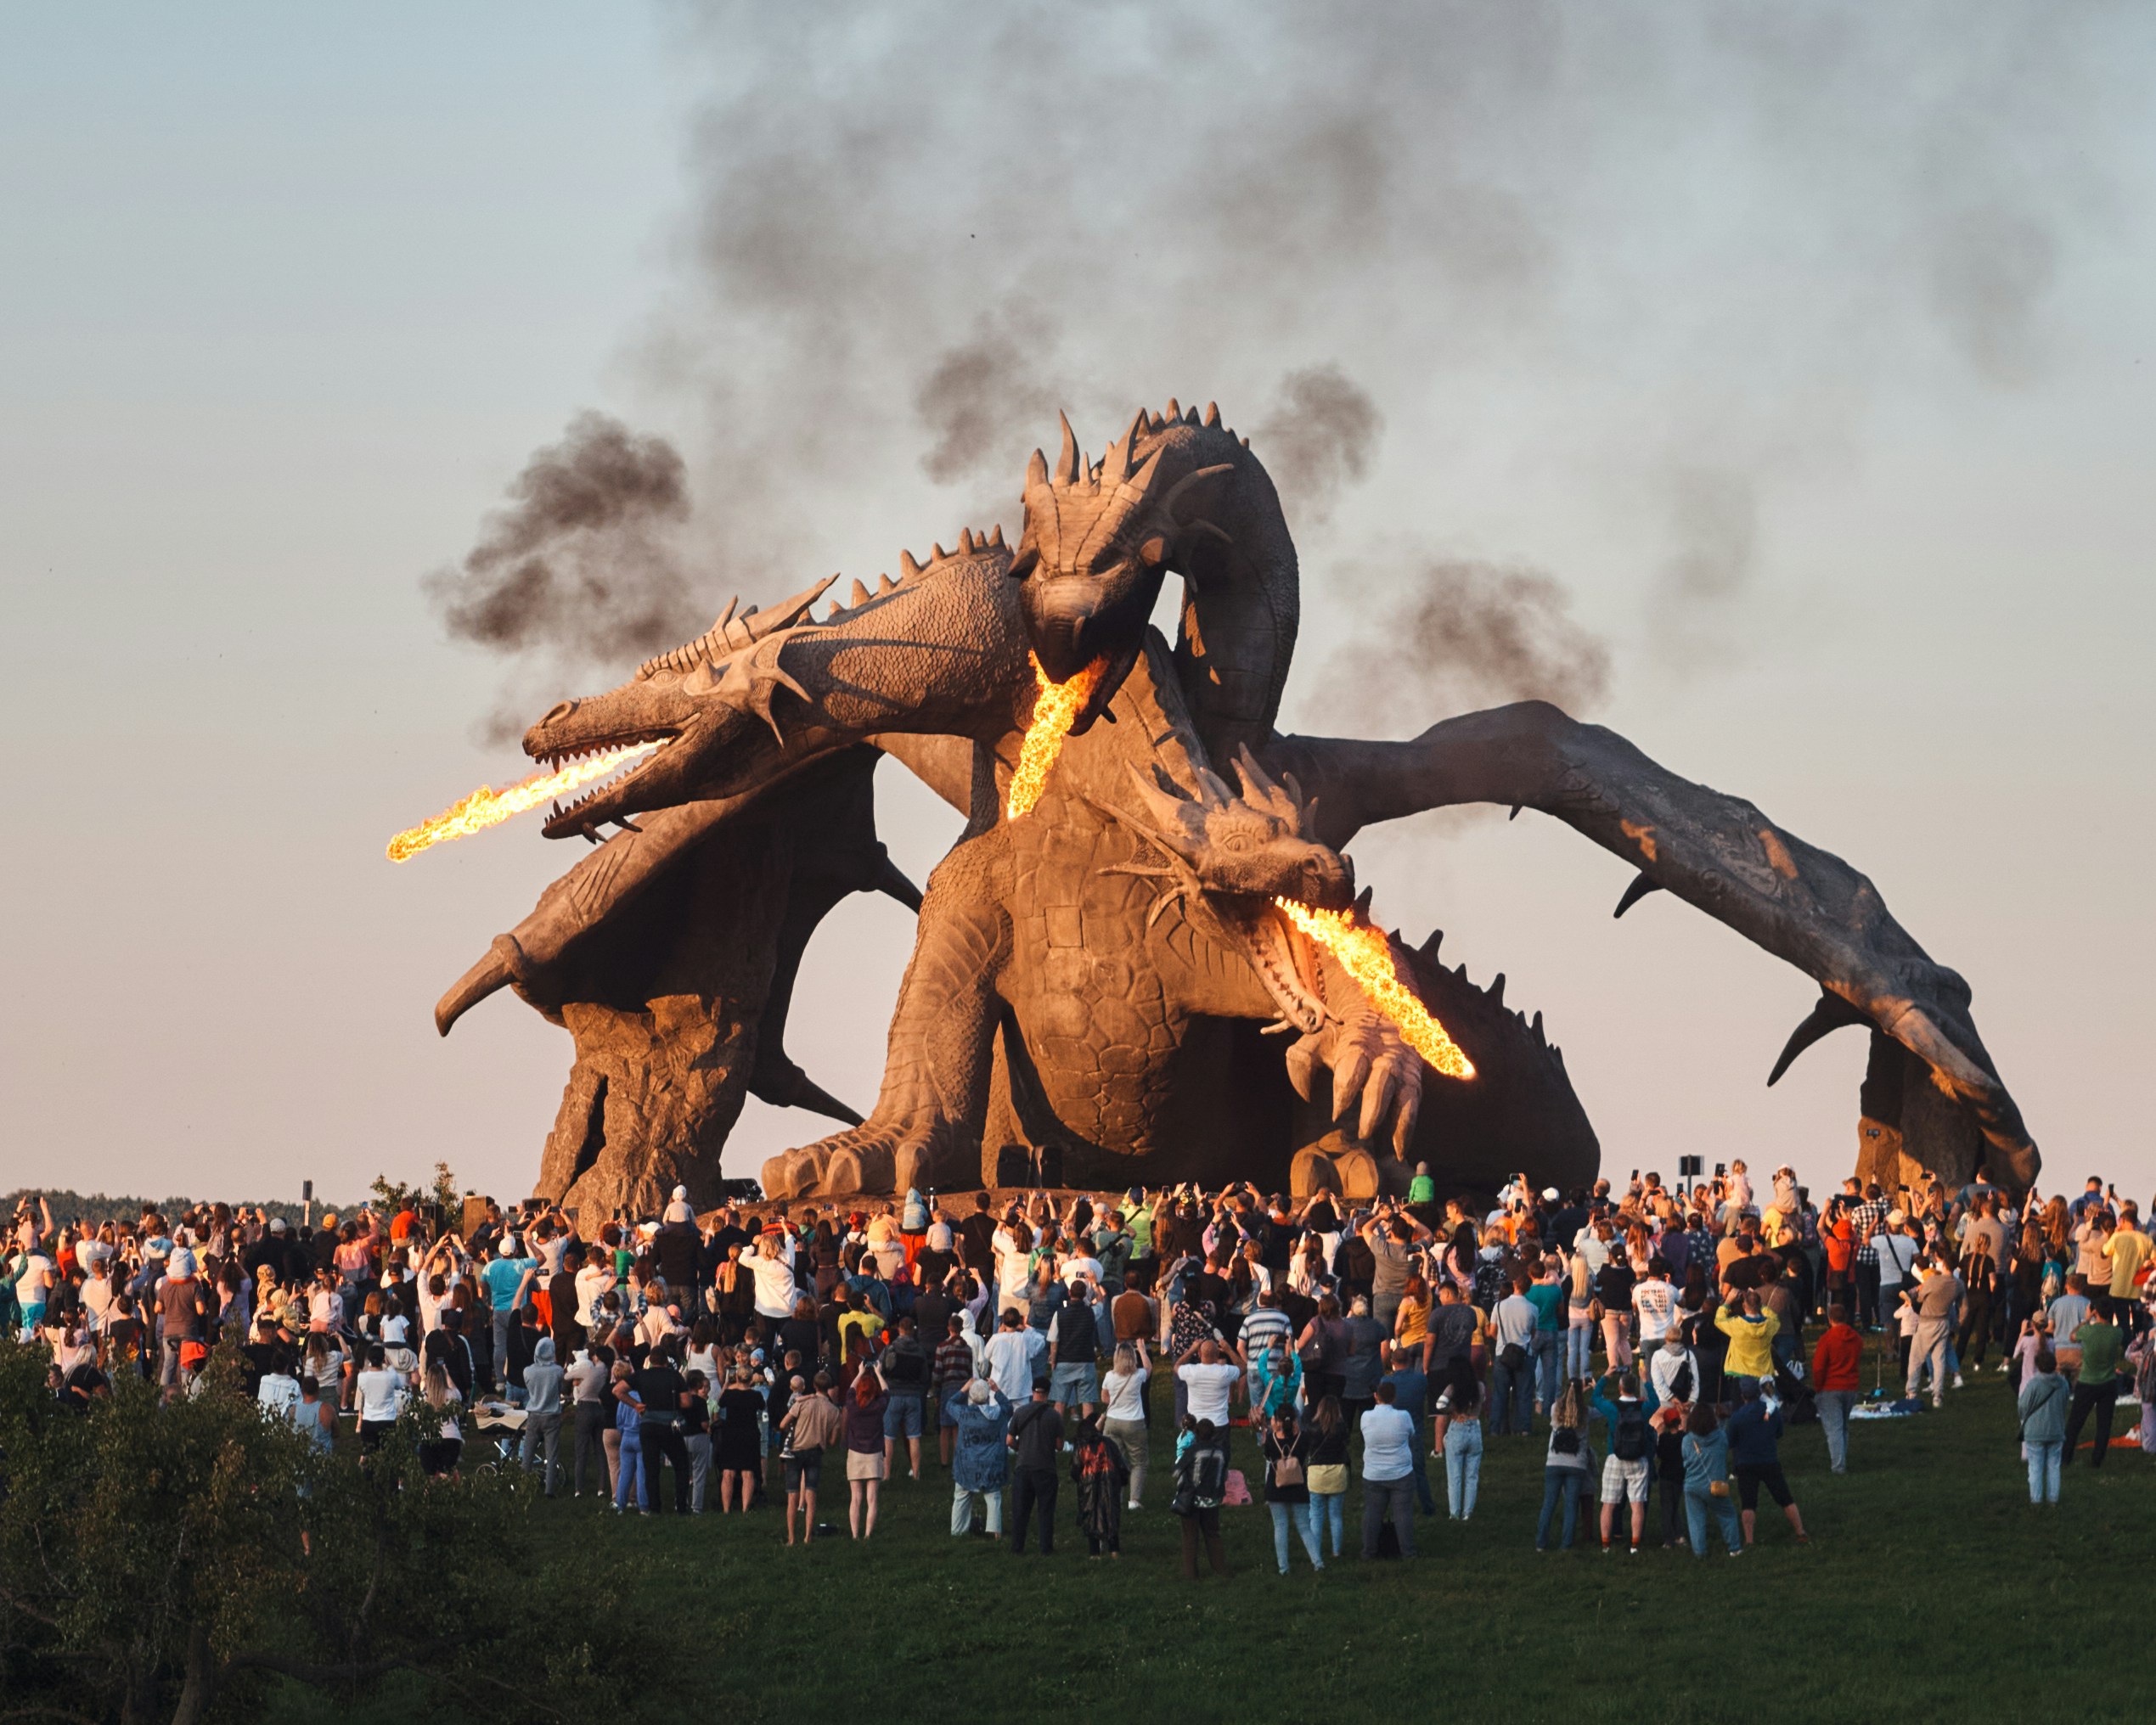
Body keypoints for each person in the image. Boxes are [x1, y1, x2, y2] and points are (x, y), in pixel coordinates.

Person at [1726, 1380, 1808, 1546]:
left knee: (1748, 1503)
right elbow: (1779, 1433)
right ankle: (1801, 1532)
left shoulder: (1737, 1417)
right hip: (1769, 1461)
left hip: (1746, 1463)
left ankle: (1749, 1540)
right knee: (1786, 1499)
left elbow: (1730, 1441)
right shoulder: (1772, 1411)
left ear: (1743, 1396)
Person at [778, 1372, 844, 1544]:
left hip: (796, 1450)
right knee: (811, 1494)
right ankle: (808, 1536)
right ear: (828, 1388)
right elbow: (832, 1441)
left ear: (814, 1386)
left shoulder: (803, 1403)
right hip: (815, 1452)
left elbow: (783, 1424)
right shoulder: (834, 1411)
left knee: (792, 1496)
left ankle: (791, 1538)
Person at [1592, 1371, 1652, 1554]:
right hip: (1638, 1457)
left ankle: (1605, 1544)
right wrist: (1646, 1380)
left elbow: (1595, 1398)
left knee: (1608, 1504)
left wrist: (1605, 1377)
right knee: (1637, 1504)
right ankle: (1635, 1544)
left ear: (1620, 1388)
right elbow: (1656, 1402)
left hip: (1615, 1456)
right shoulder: (1643, 1407)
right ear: (1634, 1388)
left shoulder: (1612, 1408)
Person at [1359, 1380, 1418, 1559]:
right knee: (1403, 1513)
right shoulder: (1404, 1416)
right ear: (1394, 1397)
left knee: (1372, 1513)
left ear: (1376, 1396)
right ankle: (1408, 1552)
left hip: (1373, 1473)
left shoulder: (1366, 1417)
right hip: (1400, 1473)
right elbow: (1412, 1436)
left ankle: (1369, 1551)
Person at [1259, 1408, 1324, 1574]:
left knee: (1280, 1527)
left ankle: (1283, 1568)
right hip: (1298, 1488)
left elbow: (1267, 1456)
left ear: (1276, 1421)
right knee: (1304, 1527)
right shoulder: (1303, 1439)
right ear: (1295, 1420)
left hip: (1276, 1488)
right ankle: (1317, 1562)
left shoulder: (1271, 1441)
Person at [2062, 1302, 2125, 1469]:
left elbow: (2072, 1336)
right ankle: (2097, 1459)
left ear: (2096, 1312)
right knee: (2104, 1424)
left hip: (2088, 1381)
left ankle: (2066, 1456)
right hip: (2108, 1383)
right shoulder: (2117, 1333)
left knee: (2075, 1422)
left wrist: (2086, 1319)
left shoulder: (2087, 1331)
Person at [1007, 1379, 1063, 1556]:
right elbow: (1060, 1445)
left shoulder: (1020, 1412)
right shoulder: (1055, 1416)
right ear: (1048, 1393)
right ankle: (1046, 1548)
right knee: (1046, 1511)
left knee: (1020, 1511)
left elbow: (1009, 1440)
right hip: (1046, 1469)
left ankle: (1017, 1548)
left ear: (1033, 1392)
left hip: (1023, 1468)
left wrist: (1020, 1448)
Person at [1535, 1379, 1593, 1552]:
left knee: (1549, 1503)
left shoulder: (1555, 1408)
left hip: (1554, 1462)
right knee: (1571, 1505)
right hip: (1577, 1464)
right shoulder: (1585, 1412)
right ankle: (1566, 1544)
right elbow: (1601, 1409)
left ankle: (1541, 1543)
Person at [949, 1378, 1010, 1537]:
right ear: (987, 1397)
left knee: (961, 1496)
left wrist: (964, 1388)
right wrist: (996, 1390)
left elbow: (949, 1405)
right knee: (993, 1497)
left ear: (971, 1397)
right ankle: (994, 1530)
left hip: (966, 1466)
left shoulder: (964, 1414)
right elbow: (1008, 1407)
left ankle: (957, 1530)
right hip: (991, 1466)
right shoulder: (999, 1415)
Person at [1680, 1402, 1743, 1558]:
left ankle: (1700, 1552)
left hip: (1692, 1486)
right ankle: (1734, 1548)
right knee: (1727, 1515)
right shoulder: (1721, 1437)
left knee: (1696, 1520)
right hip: (1715, 1485)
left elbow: (1685, 1460)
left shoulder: (1687, 1440)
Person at [1172, 1417, 1231, 1580]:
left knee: (1190, 1536)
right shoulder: (1221, 1452)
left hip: (1192, 1500)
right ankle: (1220, 1570)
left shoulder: (1193, 1451)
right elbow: (1225, 1474)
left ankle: (1190, 1574)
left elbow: (1176, 1472)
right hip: (1213, 1500)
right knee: (1213, 1534)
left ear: (1196, 1433)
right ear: (1213, 1434)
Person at [1174, 1338, 1244, 1465]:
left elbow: (1177, 1366)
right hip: (1219, 1424)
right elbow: (1242, 1367)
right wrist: (1228, 1350)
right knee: (1220, 1461)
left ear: (1199, 1354)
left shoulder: (1191, 1371)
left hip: (1195, 1423)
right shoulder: (1225, 1372)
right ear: (1218, 1355)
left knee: (1195, 1460)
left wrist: (1191, 1350)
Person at [1810, 1303, 1862, 1474]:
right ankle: (1841, 1459)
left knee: (1835, 1429)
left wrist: (1818, 1388)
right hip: (1850, 1387)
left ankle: (1838, 1466)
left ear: (1830, 1318)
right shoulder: (1856, 1338)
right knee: (1843, 1427)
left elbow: (1819, 1367)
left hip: (1830, 1388)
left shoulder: (1827, 1339)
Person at [1069, 1416, 1129, 1557]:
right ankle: (1114, 1551)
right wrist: (1123, 1480)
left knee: (1091, 1517)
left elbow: (1075, 1468)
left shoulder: (1081, 1446)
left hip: (1088, 1487)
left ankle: (1094, 1553)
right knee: (1111, 1516)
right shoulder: (1109, 1443)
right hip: (1110, 1485)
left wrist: (1080, 1481)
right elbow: (1121, 1464)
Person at [843, 1362, 890, 1539]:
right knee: (872, 1499)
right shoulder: (878, 1407)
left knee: (855, 1498)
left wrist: (860, 1372)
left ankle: (855, 1535)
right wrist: (878, 1373)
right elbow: (887, 1391)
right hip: (874, 1453)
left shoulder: (853, 1407)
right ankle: (868, 1535)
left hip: (855, 1453)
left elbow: (850, 1390)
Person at [1100, 1342, 1149, 1510]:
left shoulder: (1109, 1376)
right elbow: (1149, 1368)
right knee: (1138, 1462)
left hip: (1112, 1422)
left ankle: (1115, 1498)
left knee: (1114, 1462)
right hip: (1134, 1423)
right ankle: (1134, 1500)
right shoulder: (1138, 1375)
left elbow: (1105, 1399)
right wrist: (1142, 1350)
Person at [2018, 1346, 2069, 1505]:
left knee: (2035, 1467)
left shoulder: (2034, 1384)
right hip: (2056, 1429)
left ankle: (2036, 1499)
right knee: (2054, 1466)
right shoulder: (2063, 1383)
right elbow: (2065, 1402)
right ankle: (2053, 1499)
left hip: (2035, 1431)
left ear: (2038, 1366)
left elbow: (2023, 1406)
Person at [1433, 1366, 1483, 1521]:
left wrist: (1453, 1411)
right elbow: (1483, 1400)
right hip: (1475, 1428)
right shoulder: (1479, 1386)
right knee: (1472, 1476)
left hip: (1457, 1428)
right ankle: (1468, 1513)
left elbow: (1439, 1405)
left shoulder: (1453, 1388)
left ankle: (1454, 1513)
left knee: (1454, 1476)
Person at [1305, 1395, 1351, 1559]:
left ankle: (1315, 1552)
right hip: (1337, 1473)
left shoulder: (1311, 1428)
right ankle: (1336, 1551)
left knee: (1316, 1516)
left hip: (1316, 1475)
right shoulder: (1341, 1428)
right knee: (1336, 1515)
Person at [520, 1335, 566, 1496]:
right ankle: (549, 1490)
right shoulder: (558, 1371)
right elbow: (560, 1389)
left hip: (534, 1414)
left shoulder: (528, 1371)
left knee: (528, 1453)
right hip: (552, 1414)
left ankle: (524, 1487)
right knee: (551, 1454)